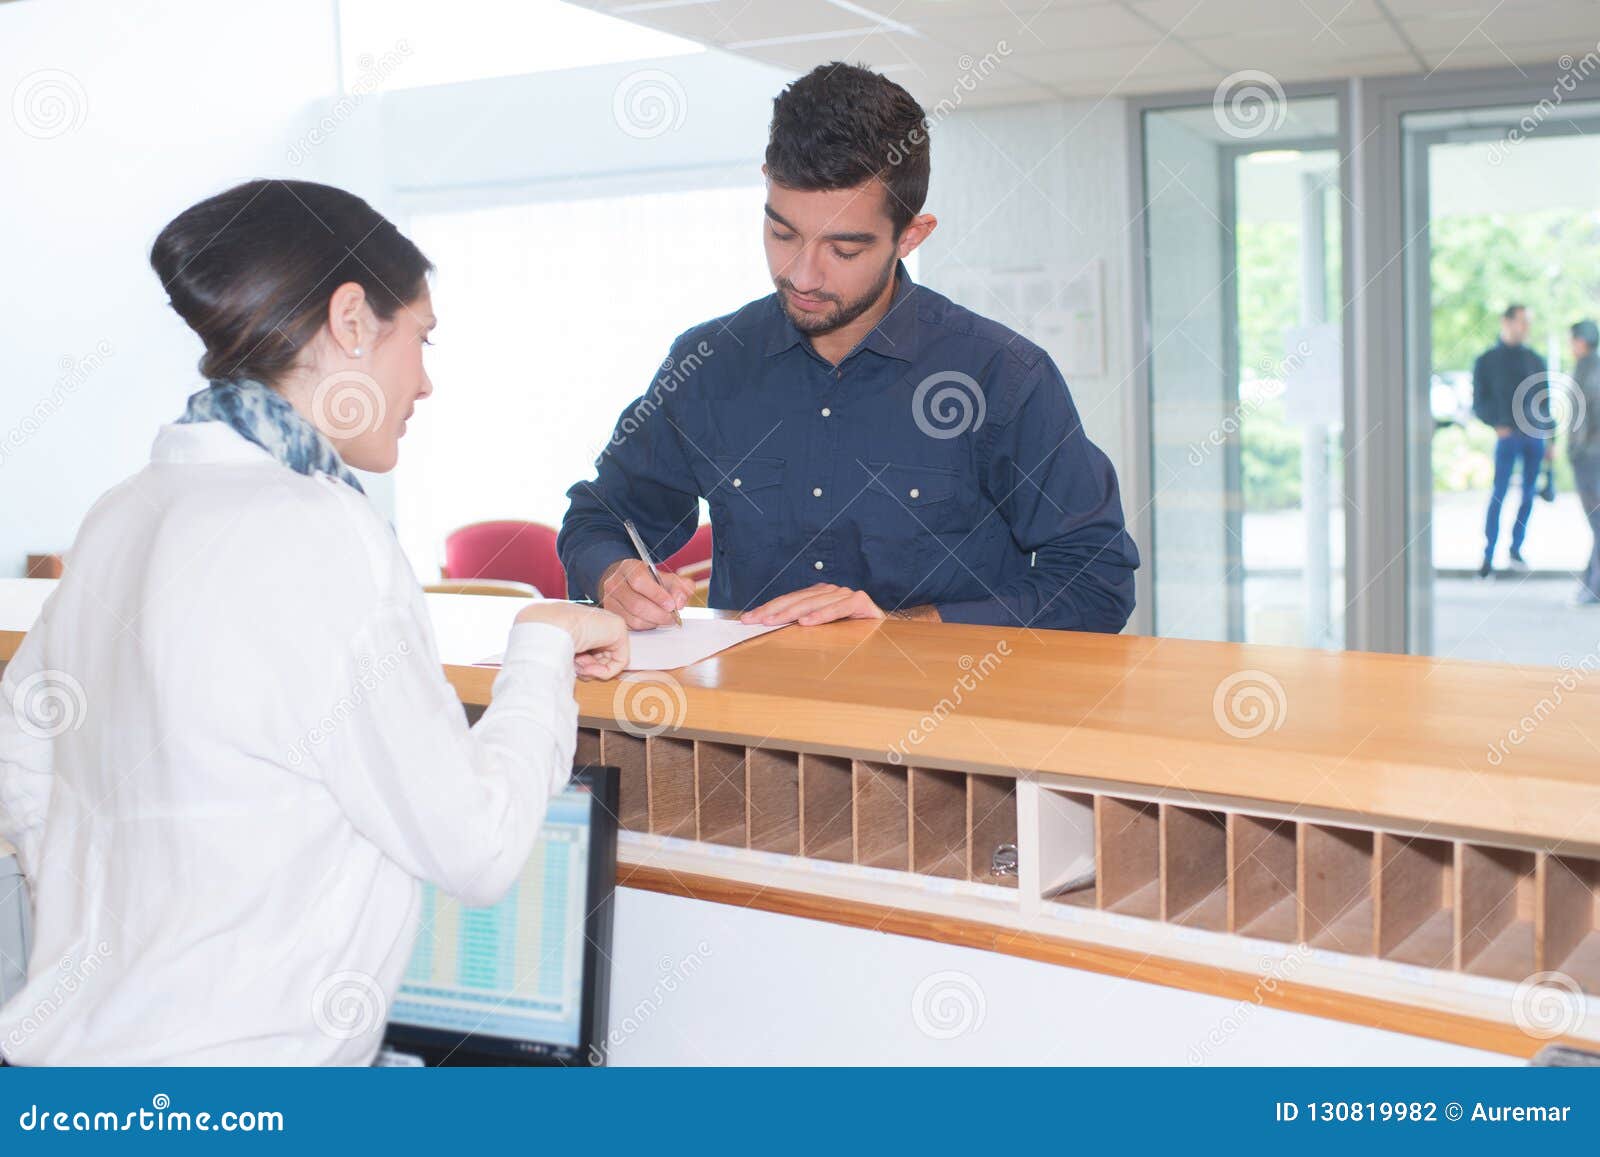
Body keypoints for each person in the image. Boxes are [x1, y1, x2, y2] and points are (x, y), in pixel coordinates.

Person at [0, 180, 627, 1065]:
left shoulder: (124, 511)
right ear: (351, 320)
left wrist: (90, 912)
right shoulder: (320, 531)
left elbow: (21, 739)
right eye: (422, 336)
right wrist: (541, 649)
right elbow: (478, 849)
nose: (427, 380)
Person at [557, 63, 1138, 633]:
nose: (802, 275)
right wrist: (612, 574)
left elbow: (1095, 581)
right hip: (747, 722)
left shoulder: (1002, 375)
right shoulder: (708, 362)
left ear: (911, 236)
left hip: (943, 716)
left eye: (844, 249)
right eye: (783, 233)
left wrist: (902, 628)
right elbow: (601, 515)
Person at [1473, 303, 1552, 577]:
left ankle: (1516, 548)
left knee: (1528, 493)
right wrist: (1498, 424)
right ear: (1506, 322)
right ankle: (1488, 555)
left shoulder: (1534, 360)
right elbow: (1479, 402)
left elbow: (1545, 401)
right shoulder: (1487, 361)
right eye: (1521, 321)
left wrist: (1548, 438)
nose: (1526, 327)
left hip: (1533, 436)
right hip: (1507, 436)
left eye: (1528, 322)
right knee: (1499, 493)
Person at [1565, 319, 1600, 605]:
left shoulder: (1591, 370)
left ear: (1581, 341)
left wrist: (1577, 450)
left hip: (1591, 457)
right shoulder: (1588, 368)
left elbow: (1589, 416)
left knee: (1598, 521)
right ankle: (1590, 582)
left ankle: (1593, 587)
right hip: (1589, 455)